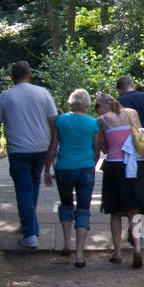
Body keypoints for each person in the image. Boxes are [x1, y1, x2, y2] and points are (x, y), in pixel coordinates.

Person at [0, 61, 57, 249]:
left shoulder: (5, 97)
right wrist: (53, 144)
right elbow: (53, 120)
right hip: (41, 148)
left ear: (12, 76)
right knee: (33, 186)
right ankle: (29, 224)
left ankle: (30, 234)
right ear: (30, 74)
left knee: (24, 190)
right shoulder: (43, 93)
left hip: (18, 150)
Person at [96, 92, 144, 268]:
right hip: (136, 166)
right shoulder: (132, 113)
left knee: (115, 212)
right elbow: (138, 136)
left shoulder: (101, 120)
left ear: (102, 105)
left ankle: (117, 252)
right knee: (135, 210)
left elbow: (104, 147)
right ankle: (137, 248)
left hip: (115, 166)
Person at [44, 88, 101, 268]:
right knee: (83, 209)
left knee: (66, 204)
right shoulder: (93, 124)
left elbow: (53, 147)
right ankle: (79, 254)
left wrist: (47, 170)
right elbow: (97, 151)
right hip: (85, 168)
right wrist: (91, 166)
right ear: (87, 103)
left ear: (71, 101)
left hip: (64, 168)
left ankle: (67, 243)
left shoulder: (60, 121)